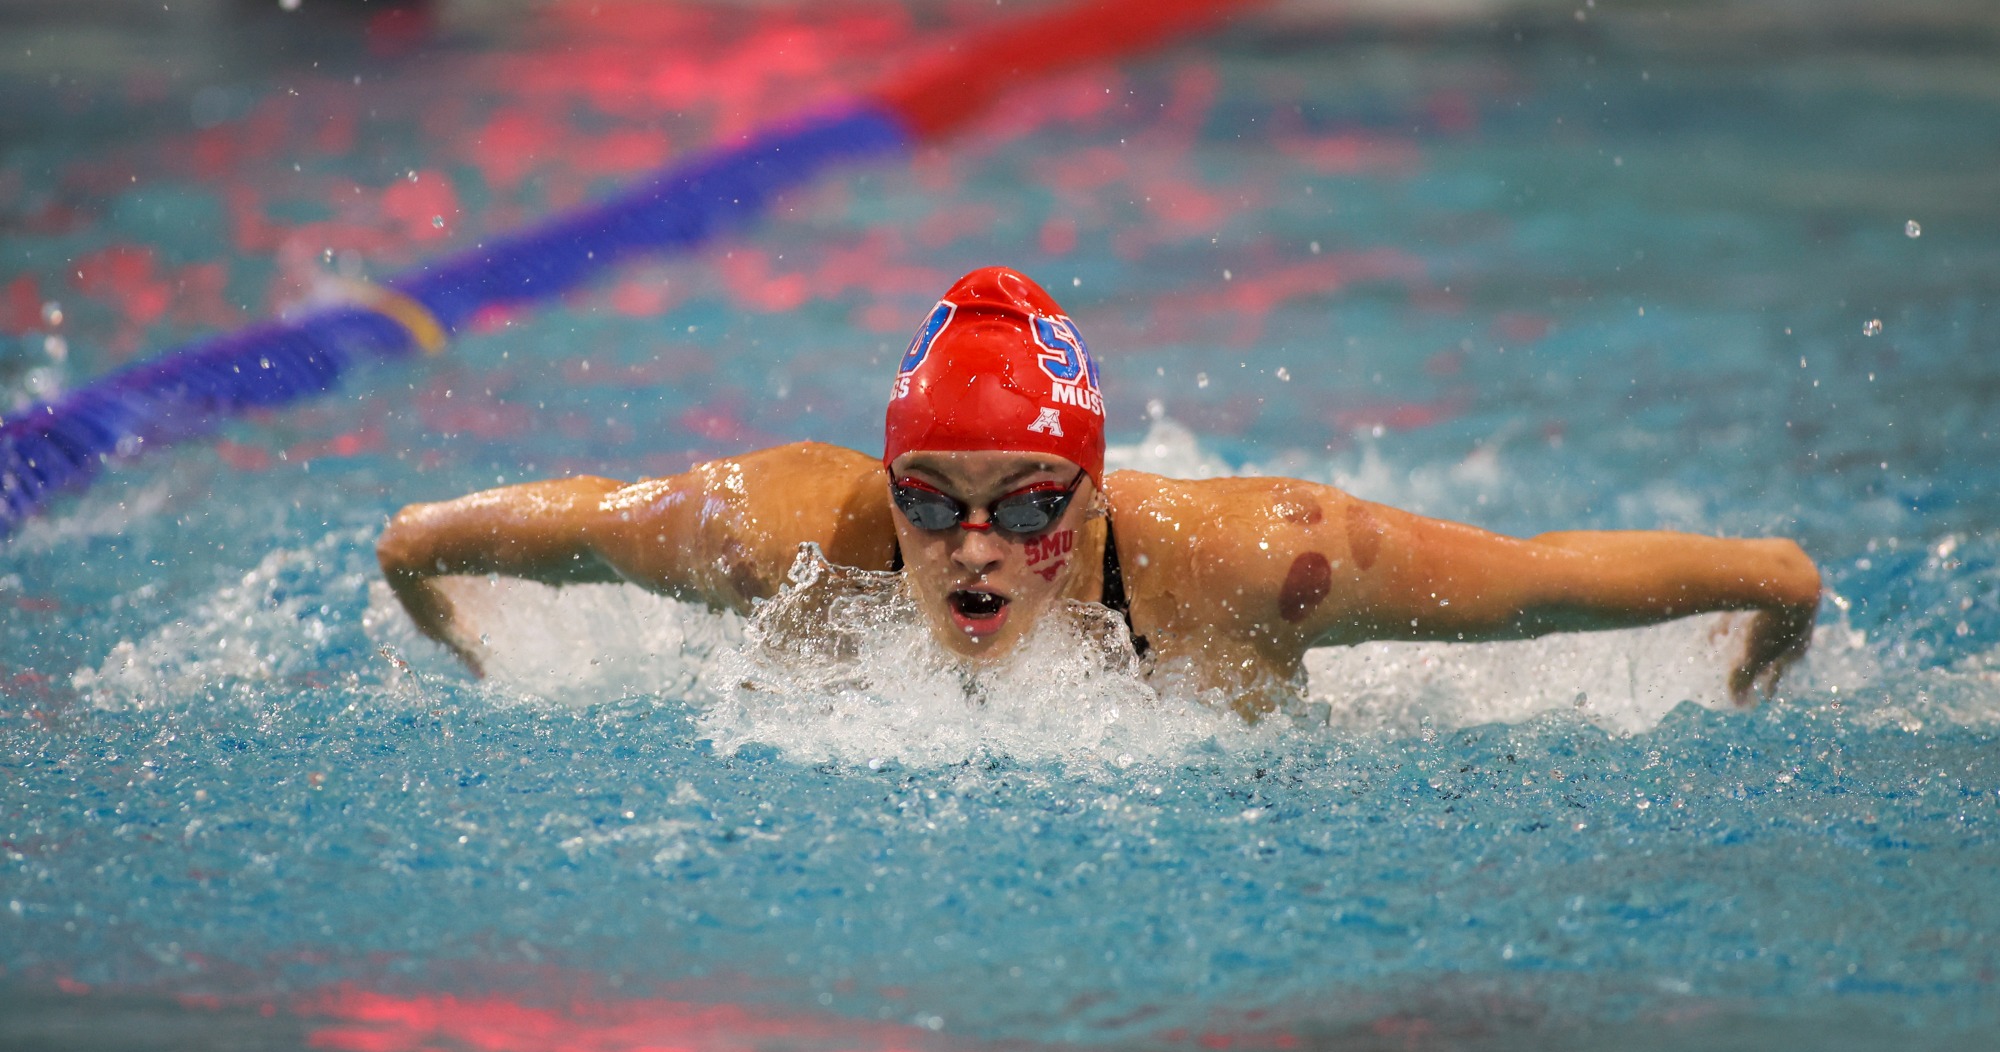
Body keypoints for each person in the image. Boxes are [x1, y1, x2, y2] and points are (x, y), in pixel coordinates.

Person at [378, 266, 1821, 709]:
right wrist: (435, 606)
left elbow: (1547, 580)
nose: (976, 545)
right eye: (932, 502)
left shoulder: (1266, 562)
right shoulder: (786, 535)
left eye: (1029, 503)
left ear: (1098, 488)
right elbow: (505, 534)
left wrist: (1773, 598)